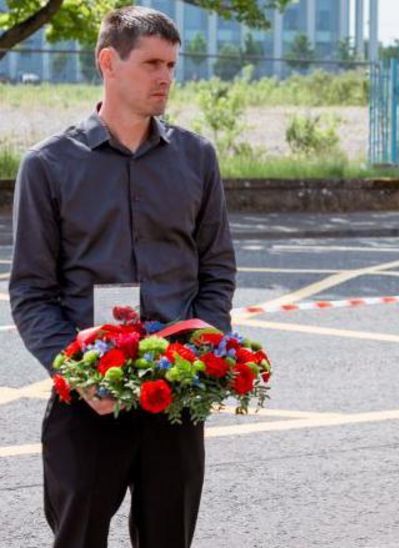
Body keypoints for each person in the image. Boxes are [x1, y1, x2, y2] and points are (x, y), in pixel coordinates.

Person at [9, 7, 236, 547]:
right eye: (152, 63)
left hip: (177, 393)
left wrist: (203, 348)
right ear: (108, 62)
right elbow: (31, 292)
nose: (165, 77)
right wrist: (81, 374)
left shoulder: (196, 157)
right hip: (88, 397)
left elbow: (217, 269)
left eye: (173, 66)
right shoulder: (48, 165)